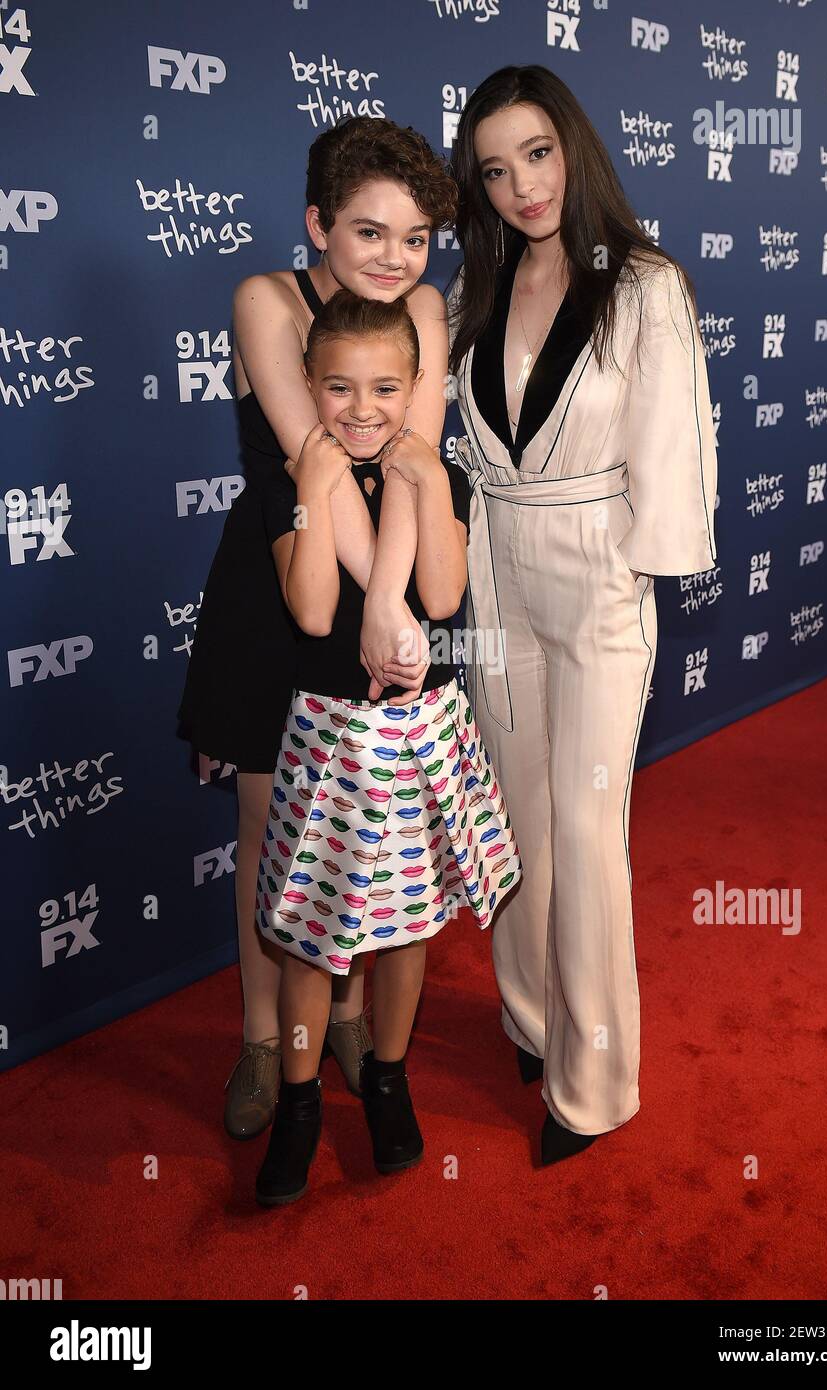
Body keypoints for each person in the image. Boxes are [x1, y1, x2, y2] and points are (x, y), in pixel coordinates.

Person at [446, 66, 718, 1165]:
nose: (522, 187)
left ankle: (593, 1080)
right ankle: (529, 1015)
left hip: (600, 574)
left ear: (576, 149)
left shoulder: (644, 283)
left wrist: (644, 567)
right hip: (498, 570)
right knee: (514, 822)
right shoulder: (478, 287)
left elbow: (670, 437)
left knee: (587, 836)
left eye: (539, 155)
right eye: (497, 169)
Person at [176, 118, 457, 1136]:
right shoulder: (266, 300)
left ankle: (341, 1015)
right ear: (316, 225)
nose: (396, 258)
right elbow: (320, 462)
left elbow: (415, 466)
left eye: (417, 235)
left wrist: (387, 603)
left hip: (389, 587)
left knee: (371, 832)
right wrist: (386, 603)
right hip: (282, 587)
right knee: (273, 837)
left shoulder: (427, 307)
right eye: (370, 231)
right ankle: (262, 1035)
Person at [252, 290, 521, 1205]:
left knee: (409, 927)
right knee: (312, 945)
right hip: (329, 745)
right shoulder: (292, 481)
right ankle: (297, 1105)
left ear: (416, 388)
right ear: (307, 387)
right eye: (338, 388)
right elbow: (315, 610)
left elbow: (442, 601)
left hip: (421, 733)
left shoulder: (426, 470)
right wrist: (313, 493)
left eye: (383, 388)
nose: (361, 410)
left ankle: (387, 1077)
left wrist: (431, 484)